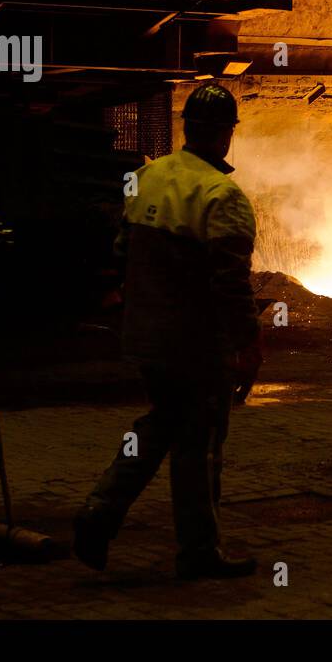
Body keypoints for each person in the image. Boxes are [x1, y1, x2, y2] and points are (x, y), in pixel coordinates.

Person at [74, 83, 262, 580]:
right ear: (225, 134)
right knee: (198, 445)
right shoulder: (223, 196)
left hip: (144, 337)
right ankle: (199, 551)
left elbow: (120, 253)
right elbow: (230, 285)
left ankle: (100, 510)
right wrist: (247, 344)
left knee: (162, 425)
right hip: (194, 345)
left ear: (186, 128)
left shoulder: (144, 177)